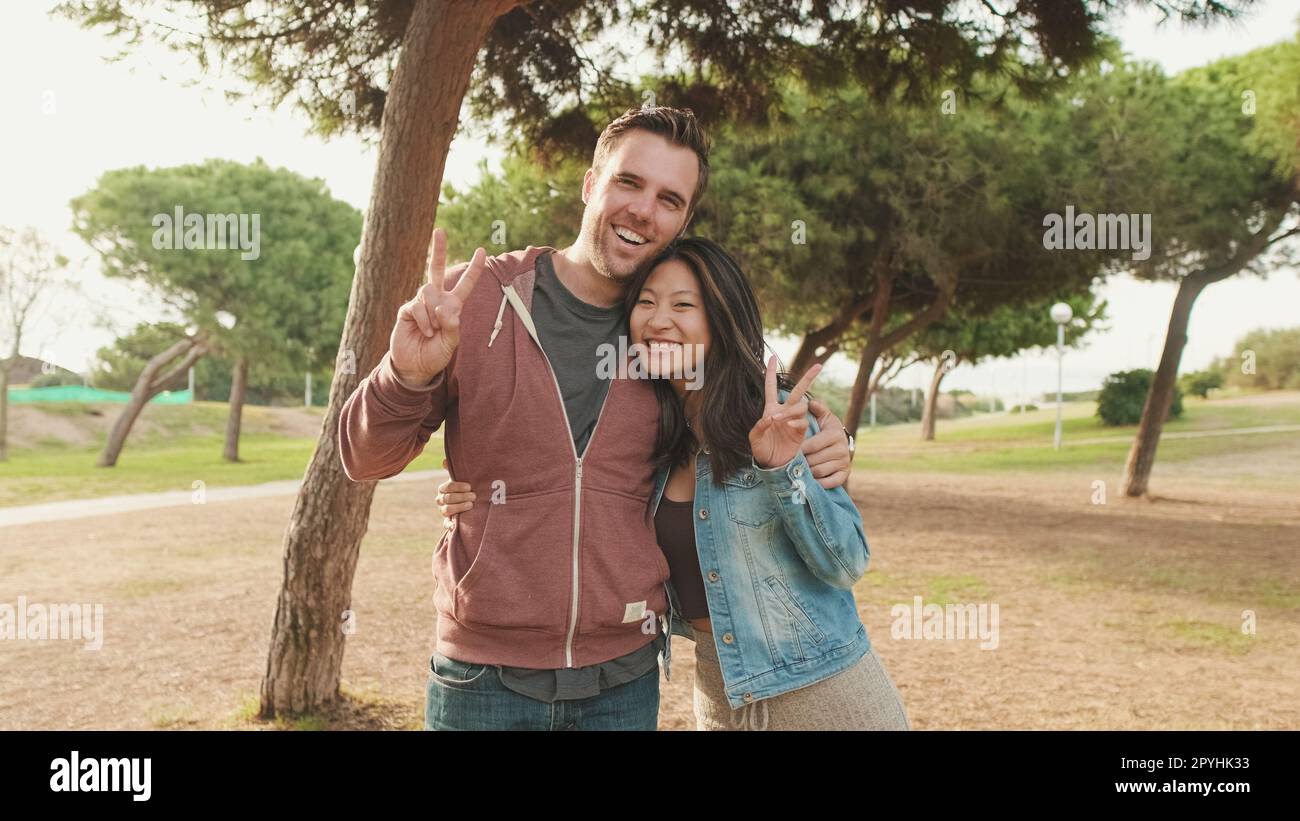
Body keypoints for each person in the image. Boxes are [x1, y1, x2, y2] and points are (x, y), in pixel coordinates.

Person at [338, 106, 855, 731]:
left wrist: (834, 442)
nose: (644, 210)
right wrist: (407, 374)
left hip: (625, 678)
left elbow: (757, 410)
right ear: (591, 185)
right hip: (483, 677)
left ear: (683, 219)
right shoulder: (476, 302)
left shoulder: (673, 336)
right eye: (629, 183)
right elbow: (365, 459)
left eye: (670, 198)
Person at [438, 237, 909, 730]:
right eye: (646, 302)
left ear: (722, 321)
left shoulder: (777, 421)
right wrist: (476, 501)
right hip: (720, 694)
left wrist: (784, 471)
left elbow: (845, 563)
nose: (659, 320)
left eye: (683, 304)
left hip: (822, 693)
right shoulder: (653, 436)